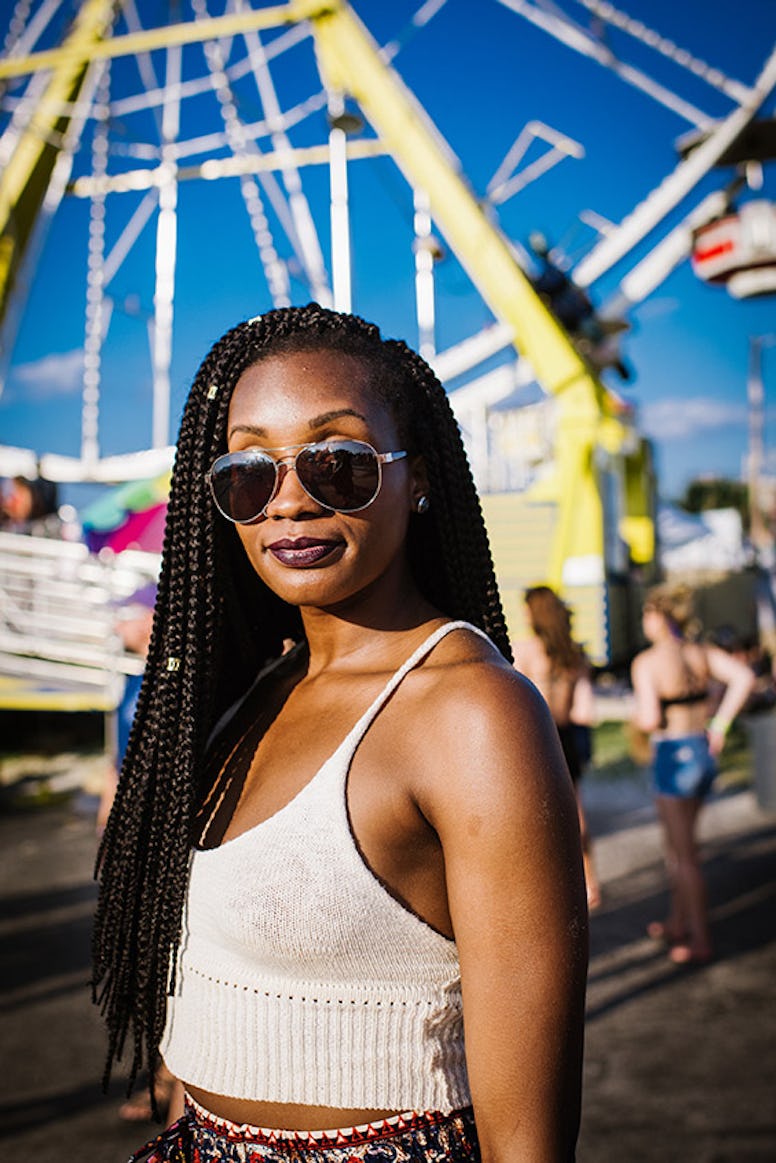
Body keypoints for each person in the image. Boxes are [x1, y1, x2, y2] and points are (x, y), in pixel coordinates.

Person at [94, 304, 588, 1162]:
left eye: (339, 462)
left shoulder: (471, 714)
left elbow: (530, 1140)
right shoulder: (254, 690)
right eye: (250, 471)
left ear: (419, 477)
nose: (289, 498)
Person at [630, 583, 755, 966]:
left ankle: (699, 938)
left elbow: (650, 718)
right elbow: (744, 678)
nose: (644, 620)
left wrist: (631, 716)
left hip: (671, 756)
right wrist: (719, 726)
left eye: (648, 613)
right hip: (701, 752)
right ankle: (677, 920)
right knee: (678, 848)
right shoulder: (700, 653)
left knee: (684, 857)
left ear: (660, 616)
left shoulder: (647, 663)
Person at [517, 585, 601, 910]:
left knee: (533, 815)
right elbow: (584, 711)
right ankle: (591, 883)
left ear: (535, 613)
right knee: (575, 813)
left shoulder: (522, 650)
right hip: (565, 737)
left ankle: (543, 889)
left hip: (535, 737)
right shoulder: (573, 654)